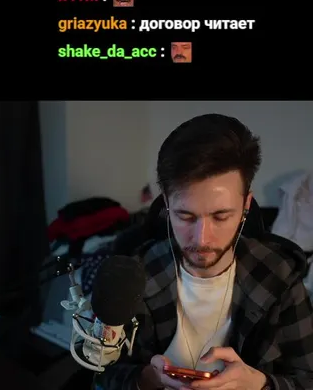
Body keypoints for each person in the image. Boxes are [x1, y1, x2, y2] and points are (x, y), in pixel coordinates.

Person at [97, 114, 313, 390]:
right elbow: (102, 375)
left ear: (246, 206)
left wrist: (260, 384)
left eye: (221, 216)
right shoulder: (135, 276)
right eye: (185, 216)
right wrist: (147, 378)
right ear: (166, 205)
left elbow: (307, 379)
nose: (202, 239)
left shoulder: (280, 277)